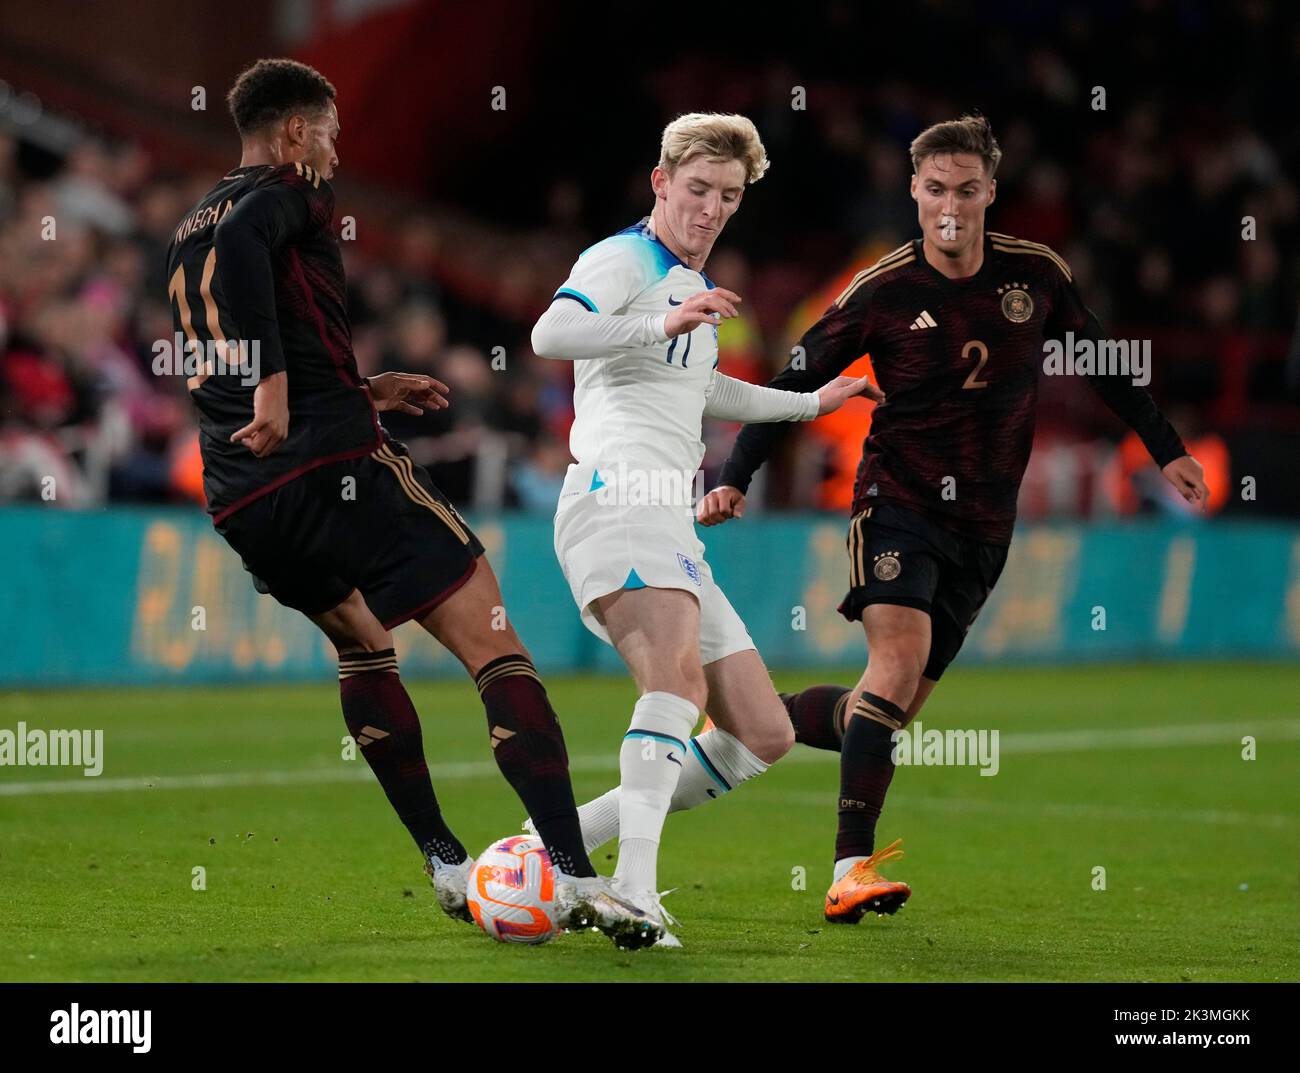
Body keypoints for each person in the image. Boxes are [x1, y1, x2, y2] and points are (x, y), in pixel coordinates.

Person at [166, 57, 659, 948]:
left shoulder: (186, 226)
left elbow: (254, 289)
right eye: (329, 129)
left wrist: (358, 387)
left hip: (244, 492)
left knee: (363, 642)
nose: (335, 146)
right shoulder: (289, 192)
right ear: (292, 133)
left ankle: (442, 859)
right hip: (330, 463)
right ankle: (581, 879)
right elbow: (250, 254)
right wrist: (281, 390)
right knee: (494, 641)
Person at [701, 114, 1209, 924]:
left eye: (965, 191)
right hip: (895, 502)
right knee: (894, 667)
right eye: (935, 189)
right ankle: (848, 868)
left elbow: (1103, 359)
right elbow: (795, 379)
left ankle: (756, 708)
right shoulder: (881, 291)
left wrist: (1164, 447)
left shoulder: (1034, 274)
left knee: (885, 710)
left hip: (984, 527)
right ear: (913, 190)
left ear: (989, 193)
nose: (949, 206)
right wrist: (736, 476)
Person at [531, 113, 876, 942]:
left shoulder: (691, 284)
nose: (711, 207)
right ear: (660, 182)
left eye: (728, 195)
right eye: (697, 189)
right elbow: (551, 333)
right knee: (676, 689)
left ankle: (555, 851)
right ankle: (633, 891)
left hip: (667, 513)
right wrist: (659, 324)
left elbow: (702, 389)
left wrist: (810, 403)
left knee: (762, 729)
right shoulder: (625, 260)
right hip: (621, 497)